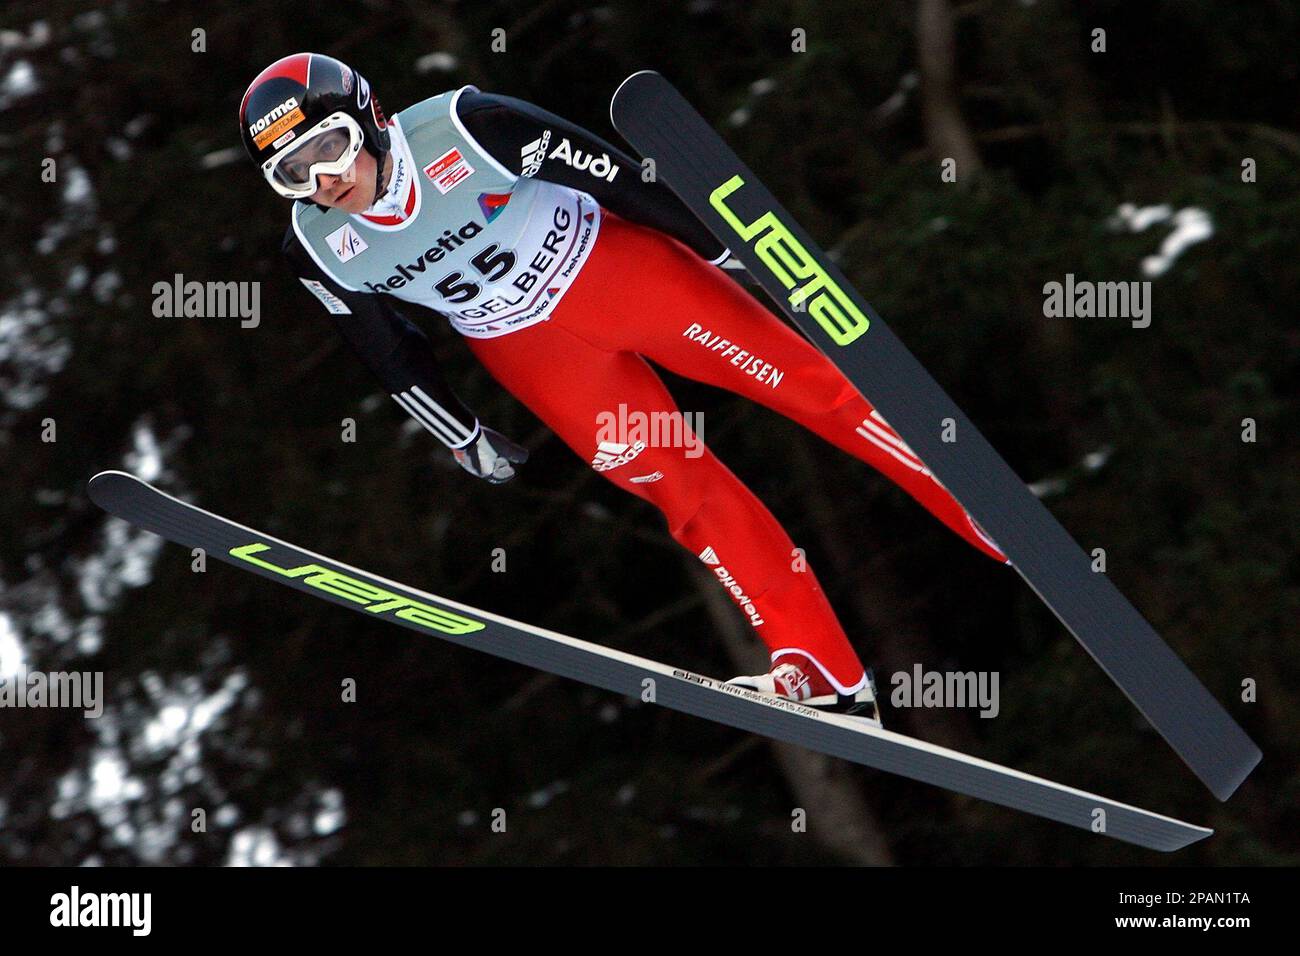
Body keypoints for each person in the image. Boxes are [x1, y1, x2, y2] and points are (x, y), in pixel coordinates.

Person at [239, 53, 1008, 723]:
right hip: (535, 352)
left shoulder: (469, 128)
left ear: (368, 116)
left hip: (619, 272)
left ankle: (986, 513)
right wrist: (462, 434)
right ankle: (823, 675)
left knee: (815, 390)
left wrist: (726, 251)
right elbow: (389, 351)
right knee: (687, 496)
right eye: (293, 174)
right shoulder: (316, 248)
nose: (326, 179)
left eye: (330, 147)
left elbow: (622, 176)